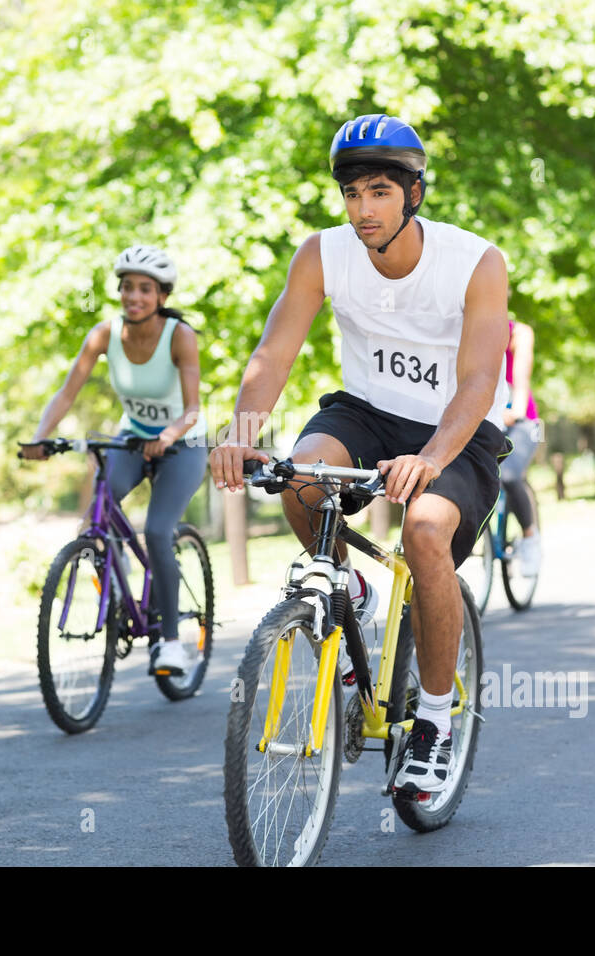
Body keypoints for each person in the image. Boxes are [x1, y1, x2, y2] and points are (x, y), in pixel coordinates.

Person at [210, 113, 511, 799]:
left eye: (379, 191)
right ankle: (348, 590)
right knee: (299, 478)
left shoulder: (475, 261)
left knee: (426, 531)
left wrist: (432, 457)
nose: (363, 209)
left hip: (454, 431)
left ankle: (432, 721)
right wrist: (240, 431)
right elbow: (274, 353)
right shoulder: (322, 254)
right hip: (367, 411)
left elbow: (477, 382)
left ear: (413, 193)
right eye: (352, 193)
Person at [23, 245, 208, 673]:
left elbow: (194, 408)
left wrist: (167, 435)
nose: (134, 297)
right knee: (95, 518)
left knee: (160, 530)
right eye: (127, 288)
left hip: (182, 444)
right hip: (131, 438)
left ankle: (170, 642)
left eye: (145, 289)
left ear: (162, 296)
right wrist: (40, 438)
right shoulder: (104, 335)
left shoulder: (179, 336)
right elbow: (68, 392)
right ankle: (120, 584)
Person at [500, 319, 542, 576]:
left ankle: (530, 538)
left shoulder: (520, 333)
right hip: (485, 421)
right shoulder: (464, 326)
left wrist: (514, 409)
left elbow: (521, 380)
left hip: (523, 422)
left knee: (510, 475)